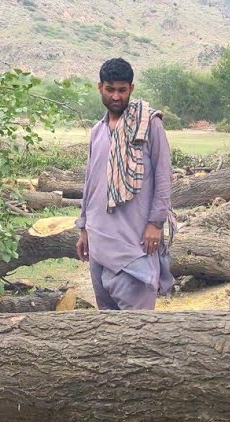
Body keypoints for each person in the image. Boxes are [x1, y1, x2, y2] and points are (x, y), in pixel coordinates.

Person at [75, 57, 176, 311]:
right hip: (99, 242)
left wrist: (155, 223)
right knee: (107, 329)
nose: (116, 97)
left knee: (139, 333)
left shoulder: (149, 125)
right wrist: (84, 228)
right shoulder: (97, 131)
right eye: (110, 90)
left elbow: (164, 176)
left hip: (134, 243)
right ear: (100, 88)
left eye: (122, 90)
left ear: (131, 89)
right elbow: (90, 183)